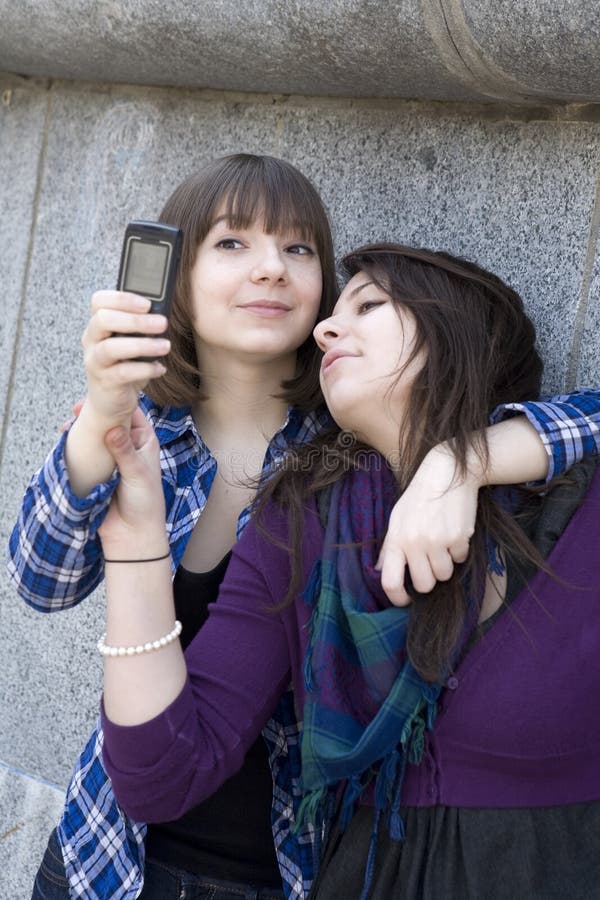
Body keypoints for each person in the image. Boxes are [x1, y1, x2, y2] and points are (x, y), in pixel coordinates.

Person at [7, 151, 599, 900]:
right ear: (176, 278)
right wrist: (99, 419)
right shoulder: (149, 436)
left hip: (283, 859)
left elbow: (573, 418)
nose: (271, 269)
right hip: (112, 853)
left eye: (298, 248)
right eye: (232, 243)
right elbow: (43, 578)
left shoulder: (340, 453)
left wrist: (461, 461)